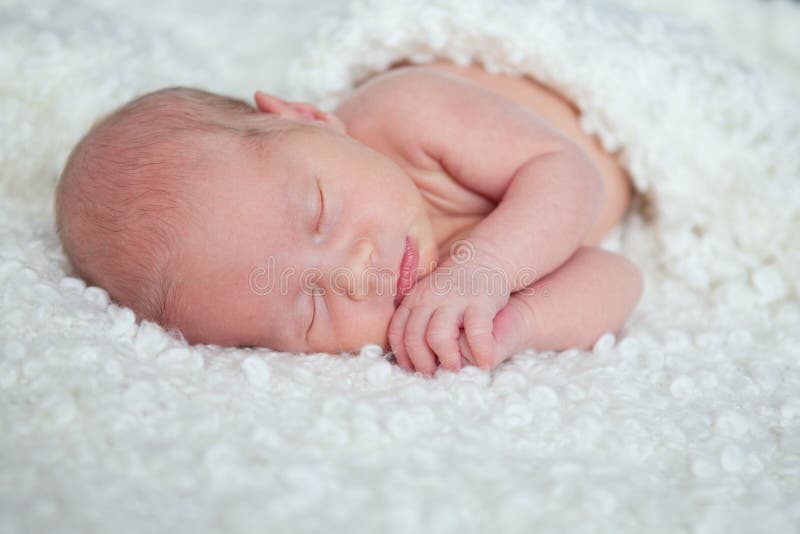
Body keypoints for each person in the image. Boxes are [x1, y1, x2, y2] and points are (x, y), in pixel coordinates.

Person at [55, 59, 644, 376]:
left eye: (321, 212)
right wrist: (513, 324)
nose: (355, 276)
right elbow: (619, 278)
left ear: (309, 118)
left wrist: (484, 268)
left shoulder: (405, 115)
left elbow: (569, 173)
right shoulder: (412, 319)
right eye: (310, 308)